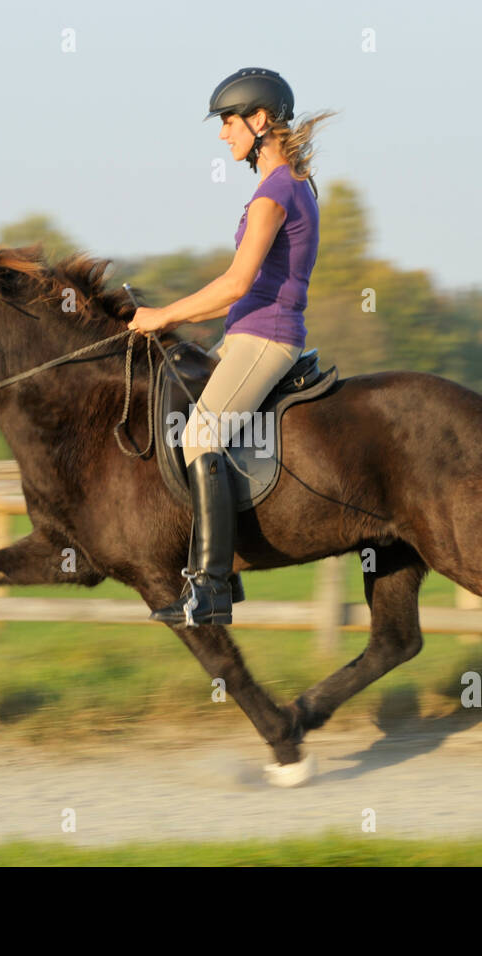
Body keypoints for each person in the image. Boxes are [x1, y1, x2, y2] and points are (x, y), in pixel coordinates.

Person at [128, 67, 336, 627]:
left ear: (260, 120)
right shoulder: (283, 186)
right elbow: (236, 293)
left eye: (227, 121)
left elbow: (237, 284)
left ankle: (214, 587)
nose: (223, 134)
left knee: (199, 435)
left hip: (265, 339)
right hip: (244, 334)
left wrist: (163, 315)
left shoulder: (275, 193)